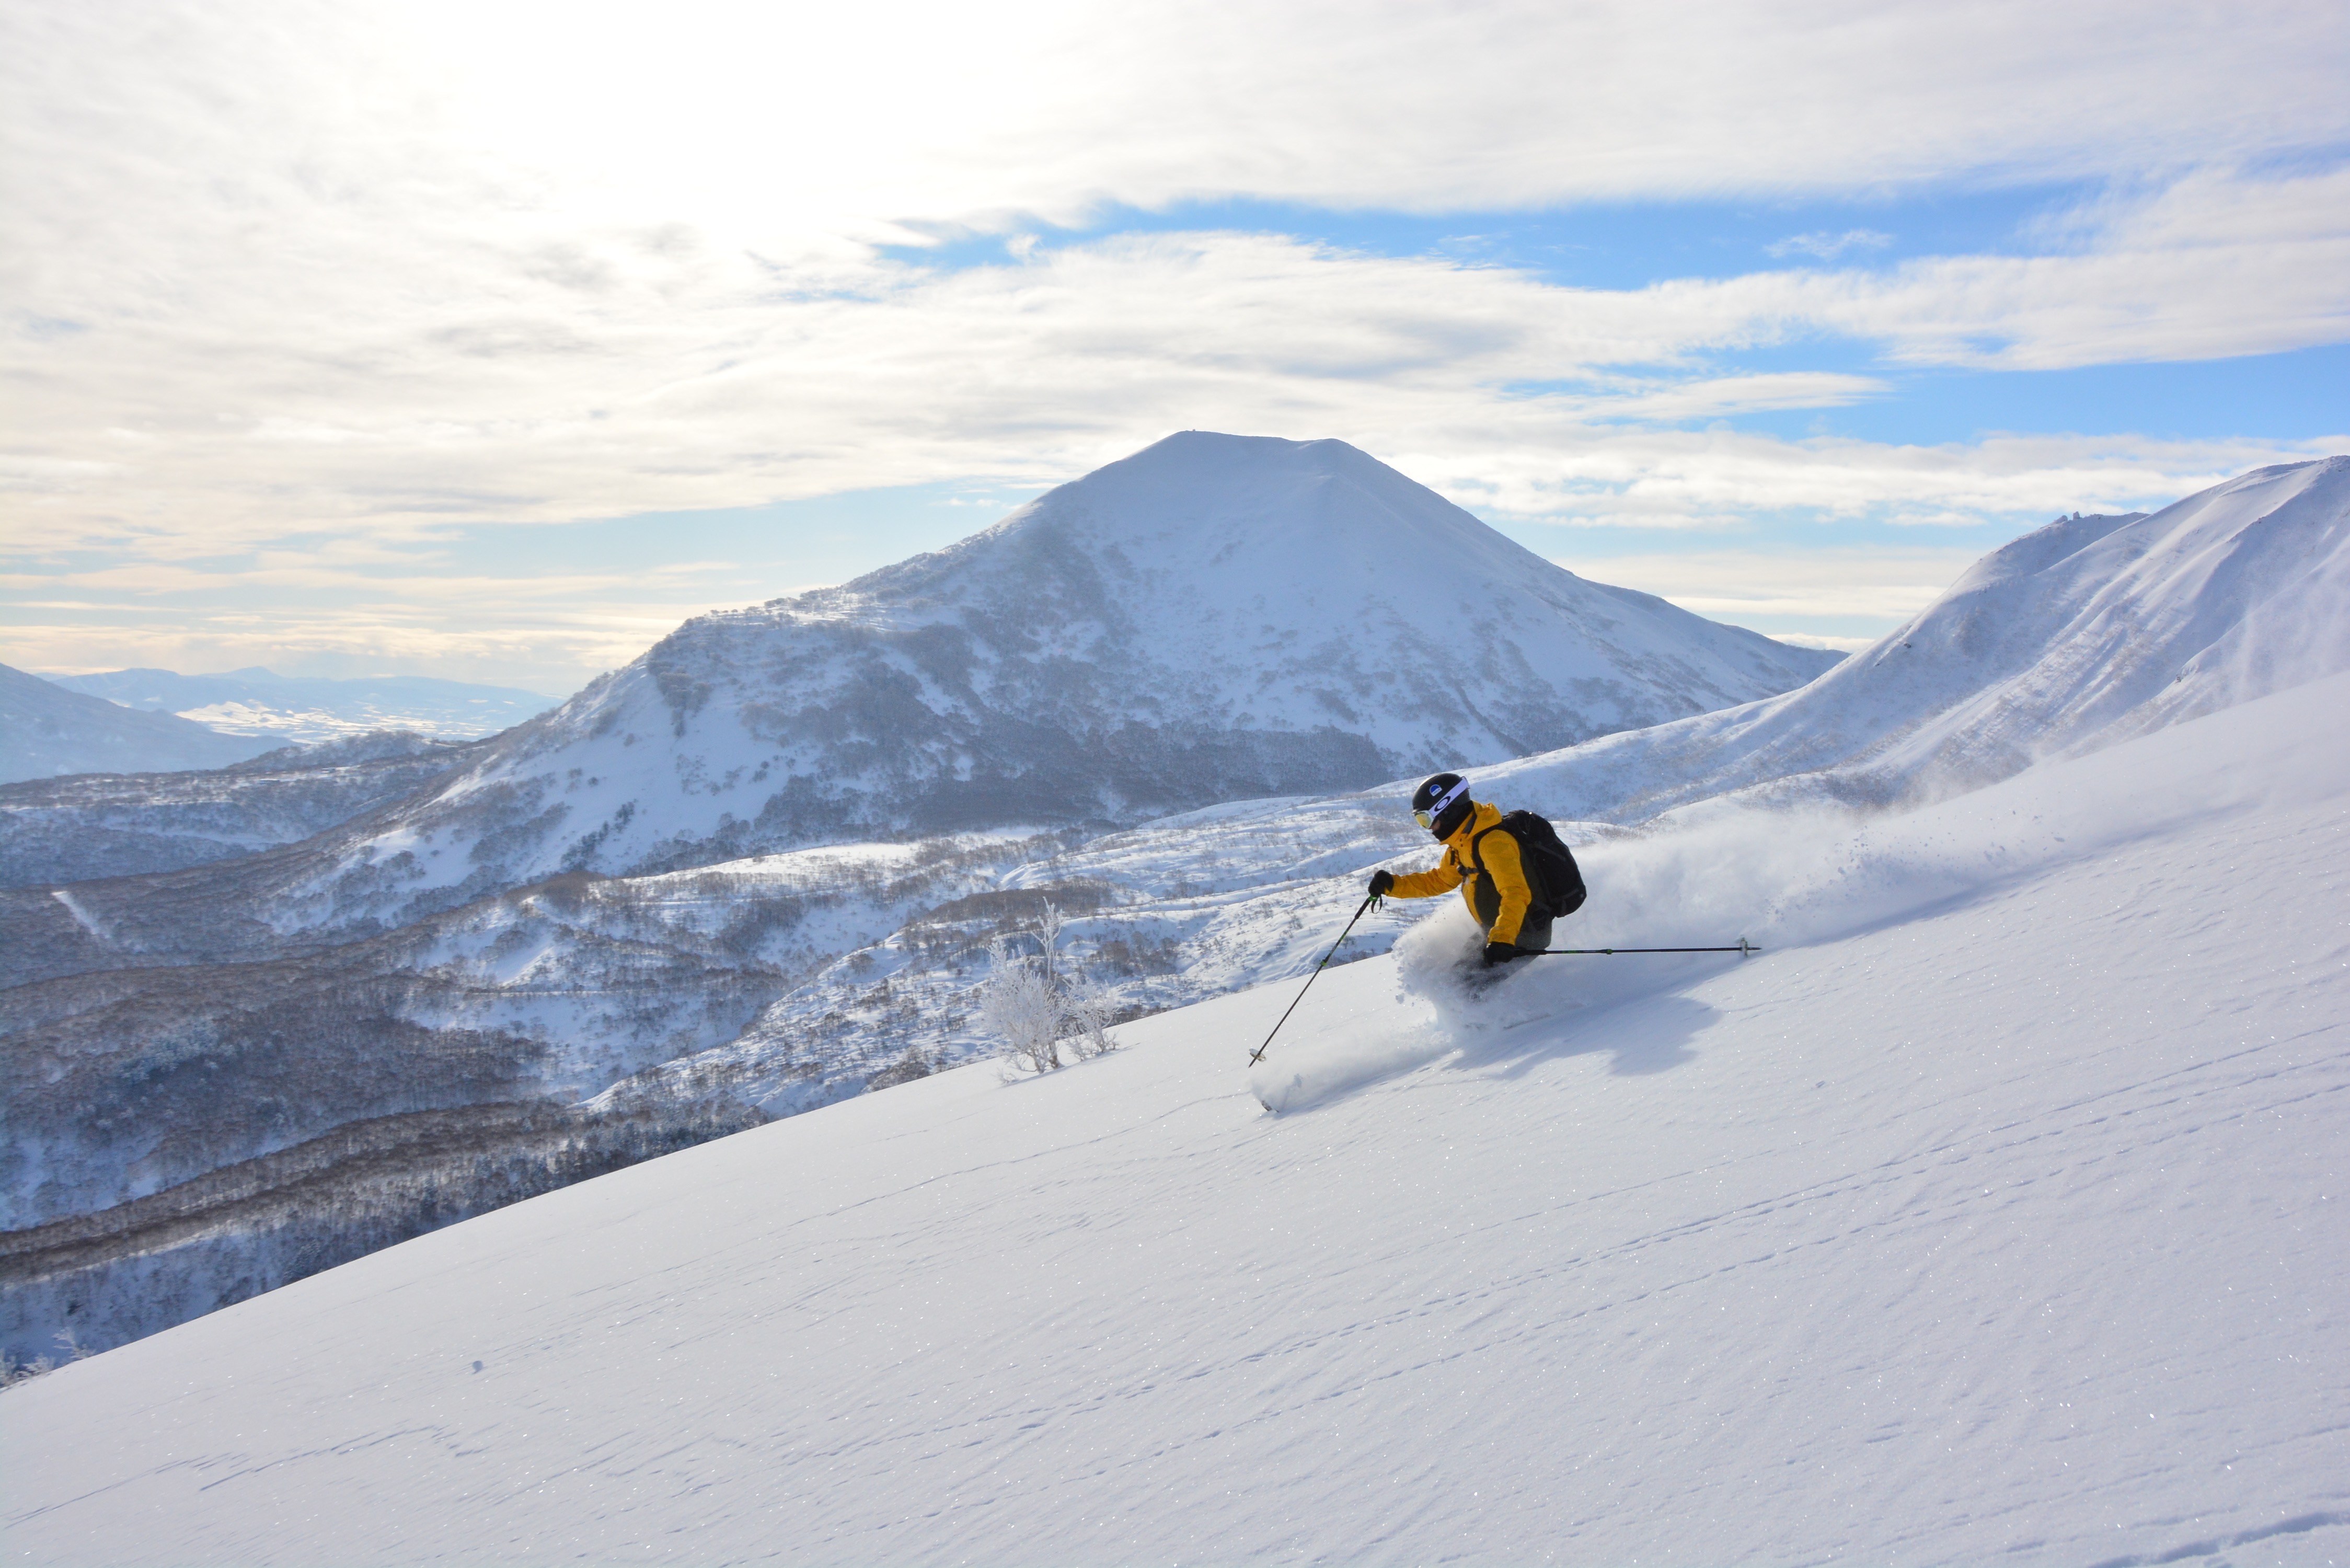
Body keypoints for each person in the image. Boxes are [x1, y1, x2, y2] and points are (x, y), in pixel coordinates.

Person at [1367, 772, 1557, 968]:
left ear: (1447, 811)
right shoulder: (1464, 843)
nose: (1429, 829)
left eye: (1426, 820)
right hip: (1497, 932)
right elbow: (1441, 880)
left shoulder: (1493, 844)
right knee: (1451, 976)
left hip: (1521, 936)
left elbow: (1516, 892)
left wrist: (1503, 939)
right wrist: (1393, 886)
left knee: (1463, 984)